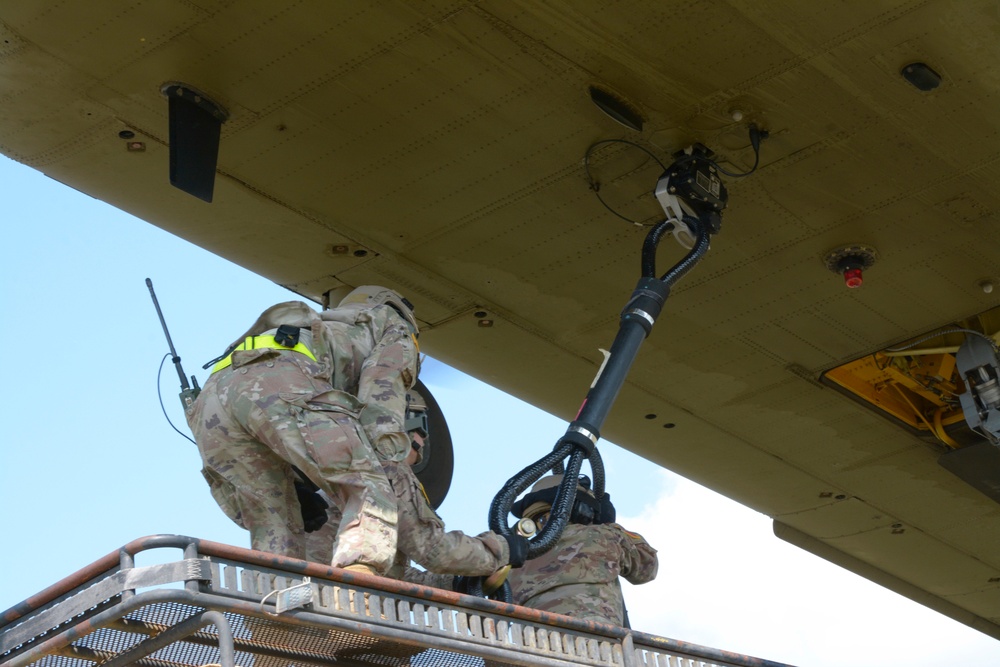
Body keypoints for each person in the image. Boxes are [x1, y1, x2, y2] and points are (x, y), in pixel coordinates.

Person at [186, 285, 420, 575]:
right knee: (366, 479)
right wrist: (385, 459)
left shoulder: (311, 329)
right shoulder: (390, 323)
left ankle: (273, 610)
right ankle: (361, 577)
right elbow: (382, 390)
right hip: (276, 381)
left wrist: (298, 485)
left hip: (211, 402)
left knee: (272, 519)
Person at [304, 394, 526, 590]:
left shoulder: (345, 466)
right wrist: (500, 551)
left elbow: (390, 574)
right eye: (423, 428)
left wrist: (451, 584)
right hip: (346, 606)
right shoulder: (387, 469)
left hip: (303, 601)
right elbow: (431, 548)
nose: (425, 439)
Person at [506, 474, 659, 626]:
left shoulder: (515, 561)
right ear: (581, 510)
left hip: (536, 645)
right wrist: (610, 525)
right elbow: (647, 568)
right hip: (596, 641)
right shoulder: (602, 536)